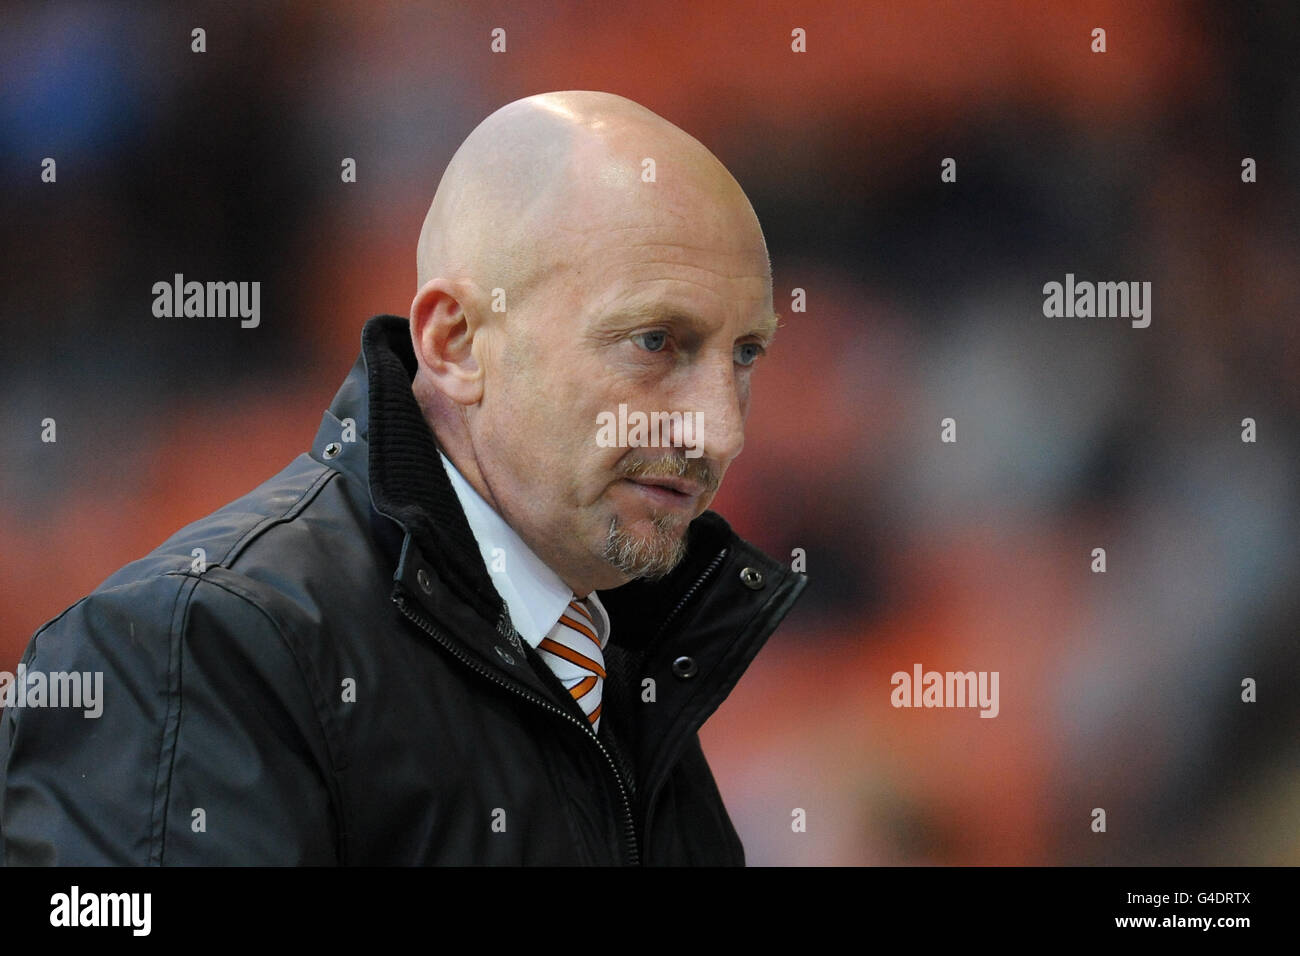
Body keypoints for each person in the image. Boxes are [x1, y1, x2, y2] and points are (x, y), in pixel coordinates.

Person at [0, 90, 808, 865]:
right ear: (454, 344)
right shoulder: (201, 646)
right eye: (656, 342)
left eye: (745, 355)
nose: (721, 429)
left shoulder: (636, 661)